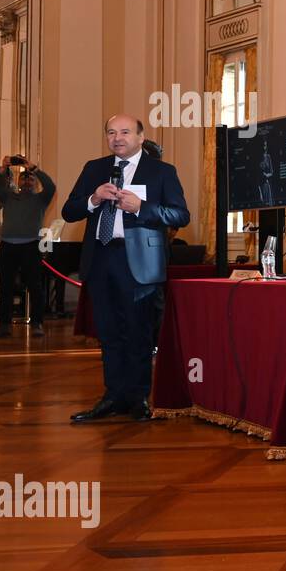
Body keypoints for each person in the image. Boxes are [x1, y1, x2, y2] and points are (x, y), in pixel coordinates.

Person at [62, 115, 190, 422]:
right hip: (101, 259)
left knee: (138, 333)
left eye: (125, 132)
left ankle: (138, 398)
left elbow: (180, 215)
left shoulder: (161, 171)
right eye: (111, 132)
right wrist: (93, 199)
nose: (117, 138)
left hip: (139, 263)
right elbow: (69, 211)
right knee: (108, 333)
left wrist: (142, 208)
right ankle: (112, 397)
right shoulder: (94, 168)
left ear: (140, 137)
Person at [0, 155, 56, 338]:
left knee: (35, 286)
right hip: (7, 246)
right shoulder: (8, 196)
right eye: (24, 178)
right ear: (19, 181)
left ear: (34, 183)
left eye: (30, 179)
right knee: (5, 286)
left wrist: (34, 168)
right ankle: (4, 323)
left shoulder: (41, 199)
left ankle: (37, 323)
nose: (27, 181)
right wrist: (2, 168)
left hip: (30, 246)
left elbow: (51, 187)